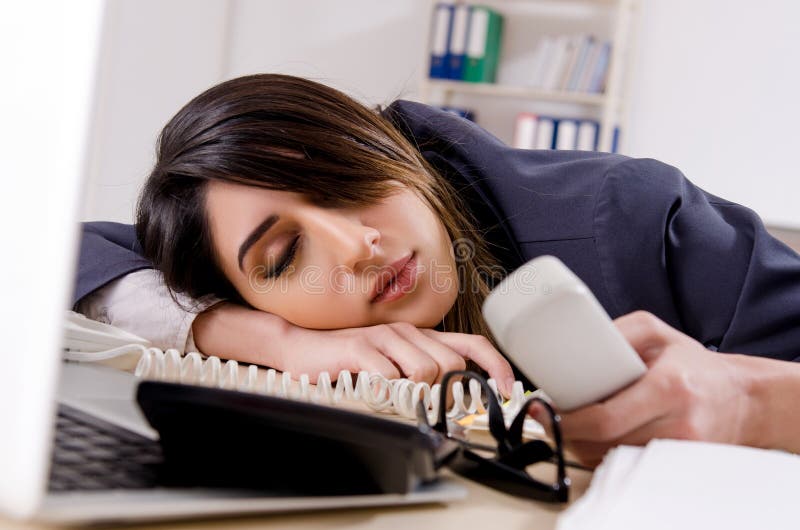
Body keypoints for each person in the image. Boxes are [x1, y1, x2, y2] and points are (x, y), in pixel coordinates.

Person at [74, 73, 800, 464]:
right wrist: (265, 338)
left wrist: (755, 403)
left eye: (344, 179)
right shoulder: (265, 320)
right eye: (286, 256)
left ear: (394, 148)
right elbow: (70, 255)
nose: (356, 245)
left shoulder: (636, 215)